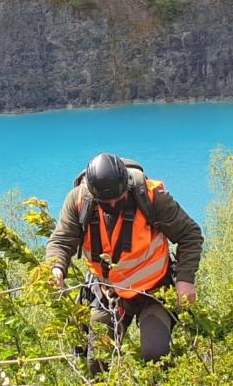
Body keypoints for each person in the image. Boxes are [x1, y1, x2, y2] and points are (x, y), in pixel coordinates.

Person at [46, 153, 203, 364]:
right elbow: (61, 240)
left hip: (154, 292)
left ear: (126, 186)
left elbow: (190, 234)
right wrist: (56, 267)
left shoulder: (151, 197)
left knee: (157, 354)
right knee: (97, 360)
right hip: (107, 292)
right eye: (105, 201)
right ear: (94, 194)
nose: (112, 204)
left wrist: (185, 280)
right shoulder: (79, 202)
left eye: (117, 199)